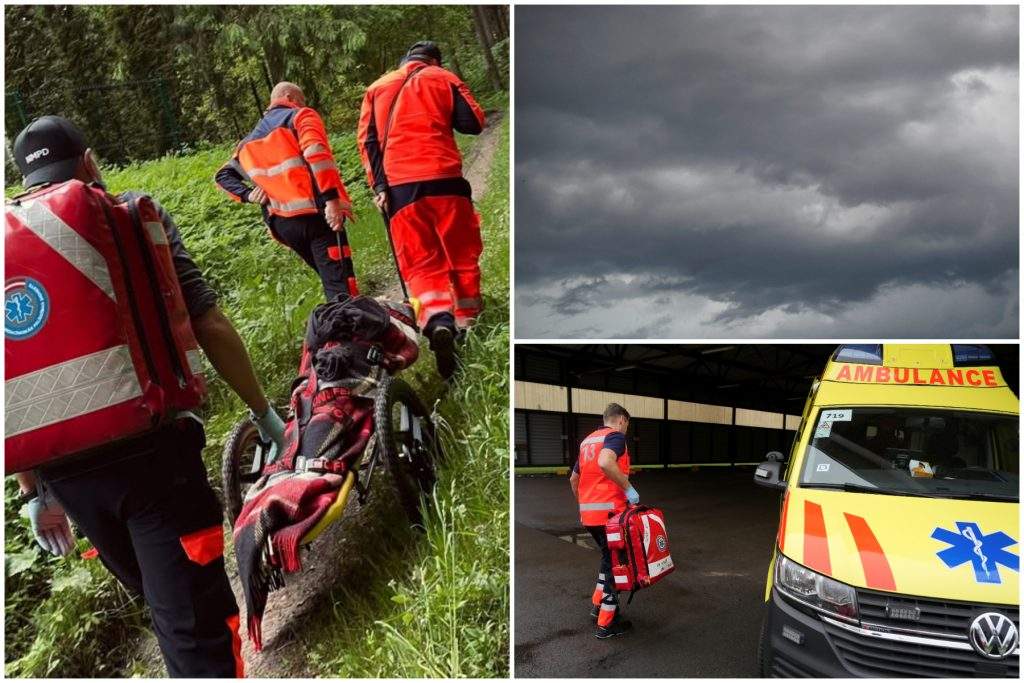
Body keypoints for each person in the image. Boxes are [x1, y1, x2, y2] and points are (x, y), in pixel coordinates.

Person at [10, 115, 290, 678]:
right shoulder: (133, 215)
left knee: (167, 605)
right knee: (195, 626)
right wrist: (263, 414)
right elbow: (207, 323)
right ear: (89, 162)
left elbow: (15, 378)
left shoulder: (6, 247)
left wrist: (33, 489)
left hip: (69, 477)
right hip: (155, 462)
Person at [357, 40, 486, 379]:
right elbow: (473, 122)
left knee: (421, 261)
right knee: (460, 252)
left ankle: (438, 319)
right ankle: (467, 322)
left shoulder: (377, 88)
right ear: (434, 61)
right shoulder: (442, 77)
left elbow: (368, 143)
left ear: (404, 61)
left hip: (401, 190)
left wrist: (380, 188)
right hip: (445, 180)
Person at [215, 82, 357, 301]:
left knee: (332, 282)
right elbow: (316, 152)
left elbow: (223, 176)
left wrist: (248, 195)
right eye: (301, 101)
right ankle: (352, 330)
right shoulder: (300, 117)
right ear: (290, 97)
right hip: (317, 217)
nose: (303, 105)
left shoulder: (248, 142)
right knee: (342, 287)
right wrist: (331, 202)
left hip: (283, 224)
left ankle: (348, 322)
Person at [569, 403, 639, 639]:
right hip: (611, 515)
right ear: (621, 420)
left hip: (590, 516)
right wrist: (628, 488)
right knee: (616, 564)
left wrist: (583, 505)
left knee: (607, 558)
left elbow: (573, 479)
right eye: (627, 424)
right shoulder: (615, 437)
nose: (626, 429)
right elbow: (606, 462)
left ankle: (597, 605)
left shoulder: (587, 441)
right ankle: (607, 623)